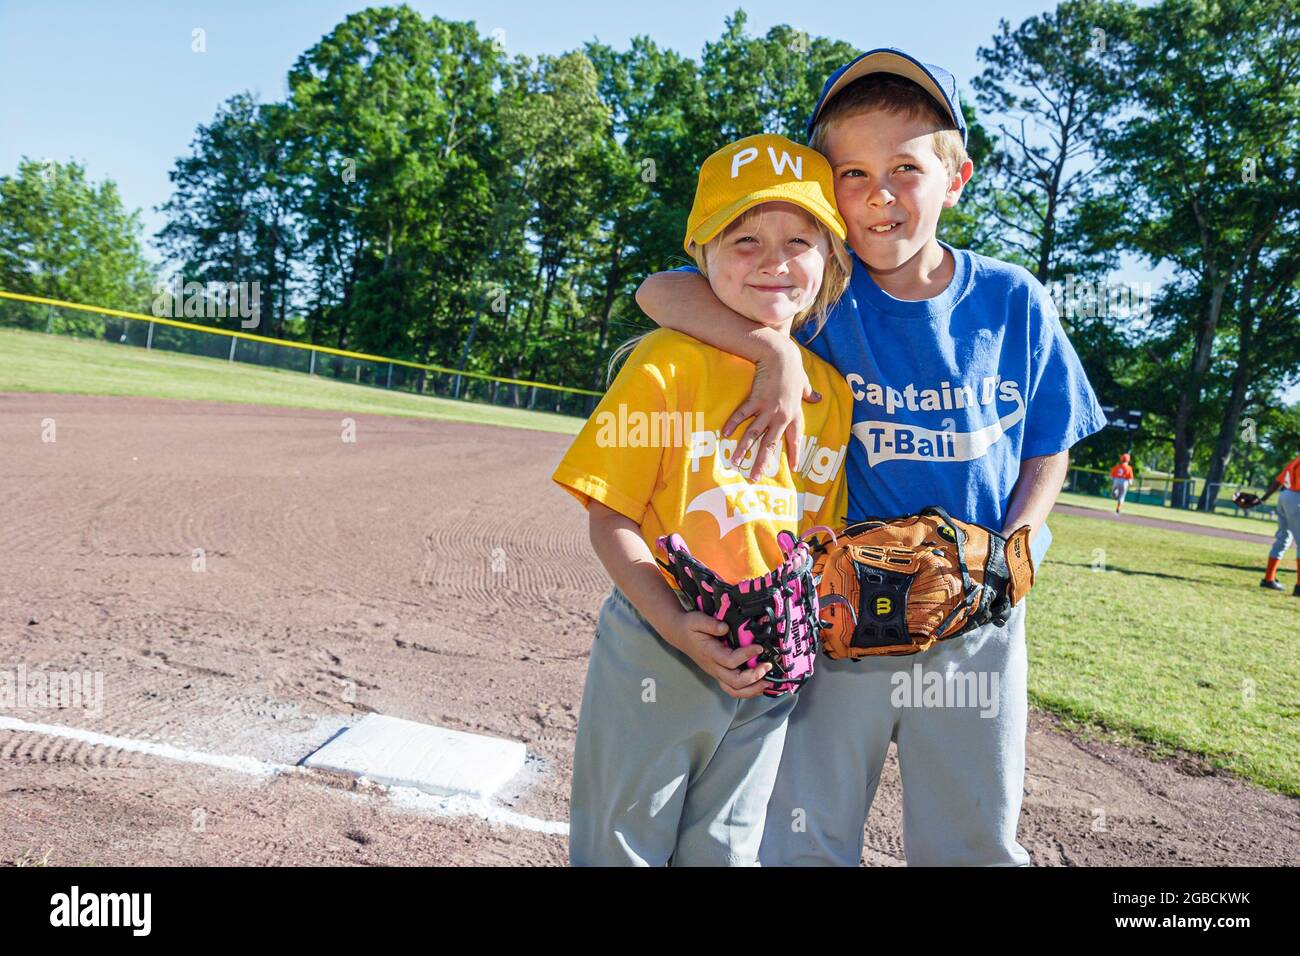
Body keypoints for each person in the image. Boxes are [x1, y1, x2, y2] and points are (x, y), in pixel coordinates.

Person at [635, 49, 1108, 866]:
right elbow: (659, 290)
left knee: (972, 838)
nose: (878, 194)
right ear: (828, 190)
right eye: (851, 172)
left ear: (955, 179)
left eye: (905, 168)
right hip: (837, 610)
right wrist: (774, 352)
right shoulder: (818, 289)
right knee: (806, 830)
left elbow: (1048, 441)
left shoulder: (1011, 299)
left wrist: (1019, 541)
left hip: (977, 611)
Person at [551, 134, 854, 865]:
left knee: (727, 847)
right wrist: (672, 620)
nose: (775, 261)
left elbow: (816, 539)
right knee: (621, 843)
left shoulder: (830, 394)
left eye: (799, 240)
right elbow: (609, 519)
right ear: (703, 256)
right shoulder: (667, 359)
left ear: (832, 263)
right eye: (743, 238)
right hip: (659, 638)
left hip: (769, 658)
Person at [1253, 440, 1300, 595]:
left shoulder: (1295, 461)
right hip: (1297, 499)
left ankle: (1269, 579)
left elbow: (1278, 481)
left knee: (1283, 538)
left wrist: (1264, 498)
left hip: (1284, 496)